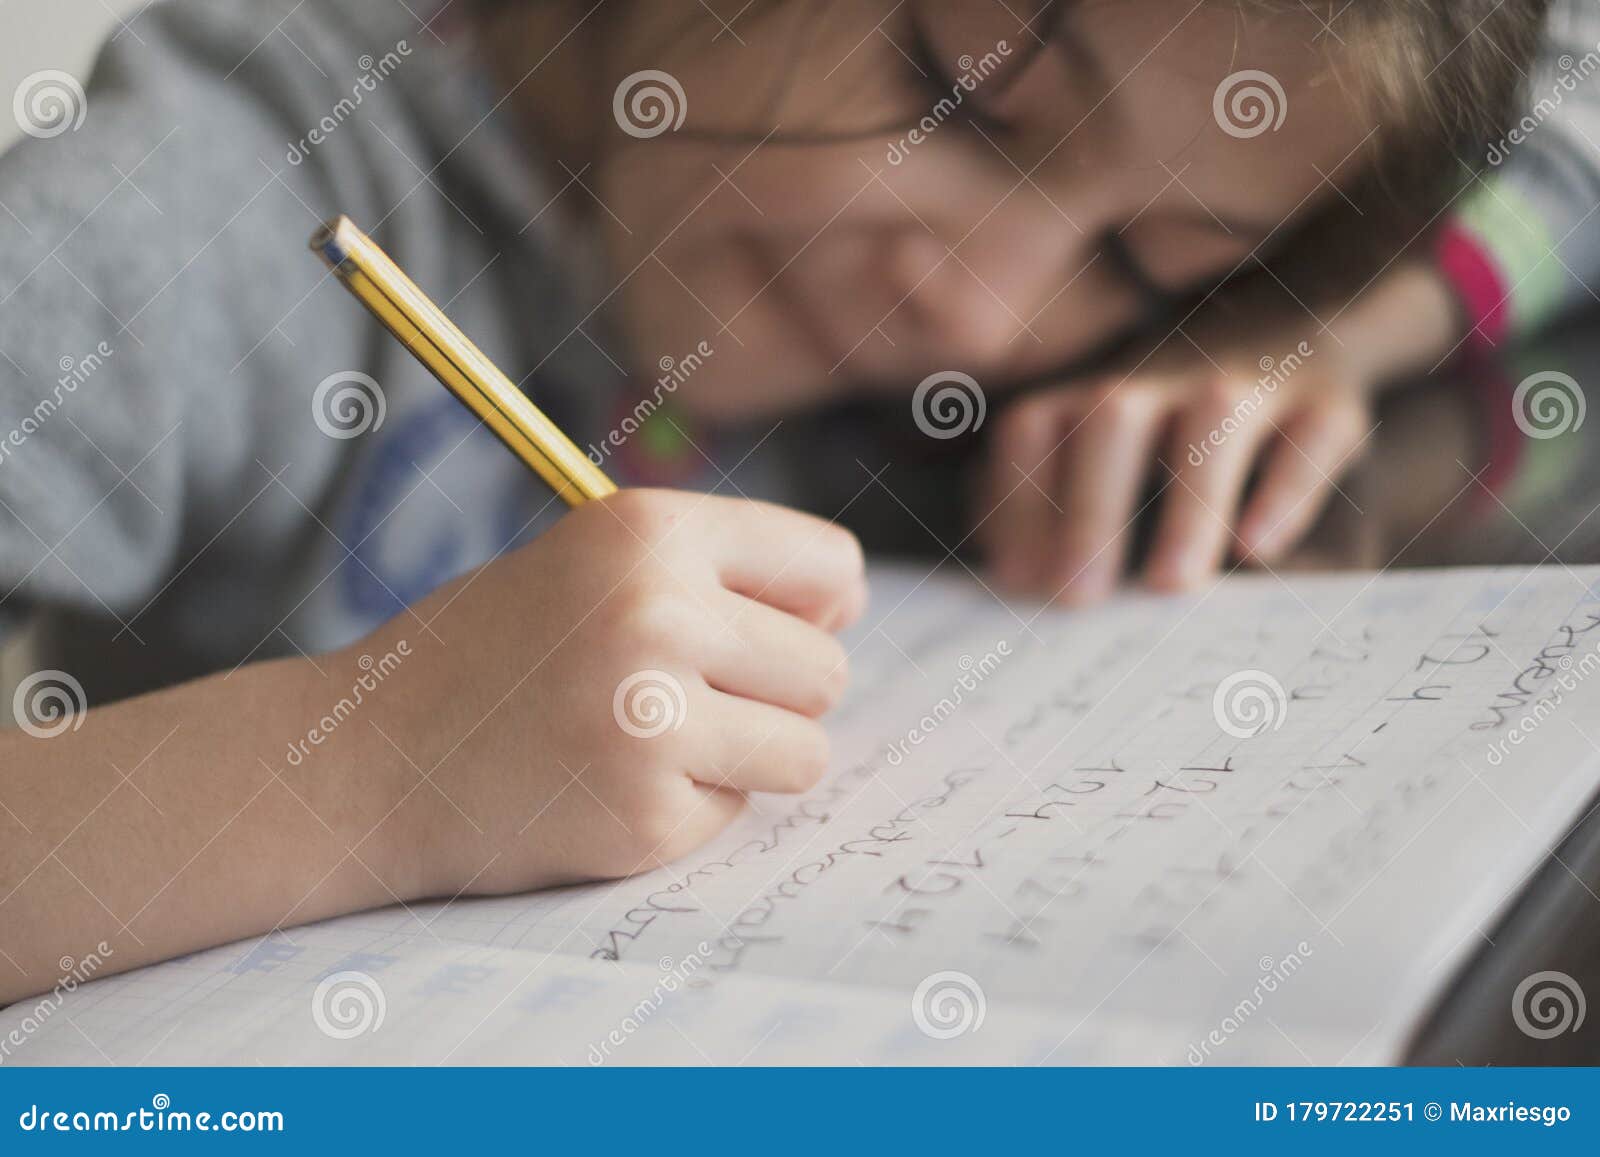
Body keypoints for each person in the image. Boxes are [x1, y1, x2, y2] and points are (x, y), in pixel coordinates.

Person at [0, 0, 1585, 1002]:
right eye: (968, 92)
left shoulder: (1044, 343)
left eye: (1148, 260)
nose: (982, 310)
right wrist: (377, 770)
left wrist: (1308, 330)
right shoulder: (200, 219)